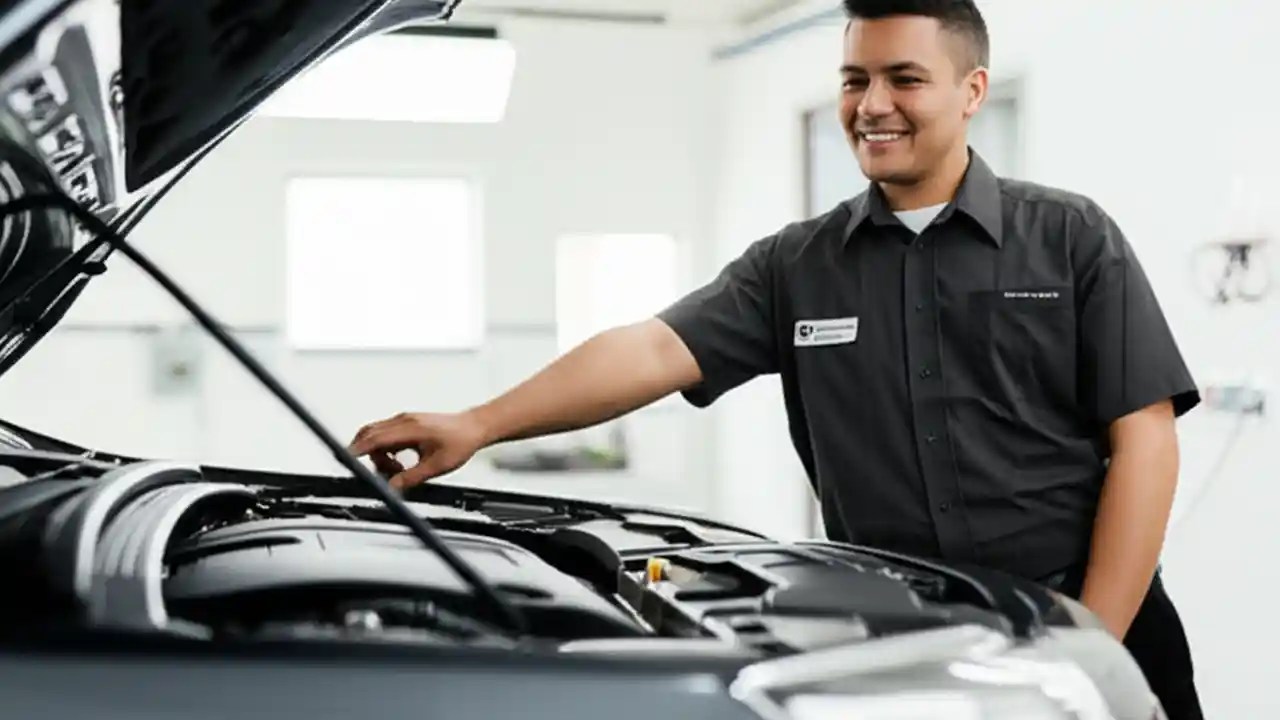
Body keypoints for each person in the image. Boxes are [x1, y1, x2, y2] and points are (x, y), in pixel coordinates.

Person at [349, 0, 1202, 716]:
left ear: (972, 90)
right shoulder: (797, 264)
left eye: (905, 79)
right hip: (903, 641)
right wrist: (480, 422)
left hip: (1090, 620)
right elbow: (651, 347)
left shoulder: (1068, 237)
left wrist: (1091, 642)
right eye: (855, 79)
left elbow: (1146, 441)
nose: (873, 104)